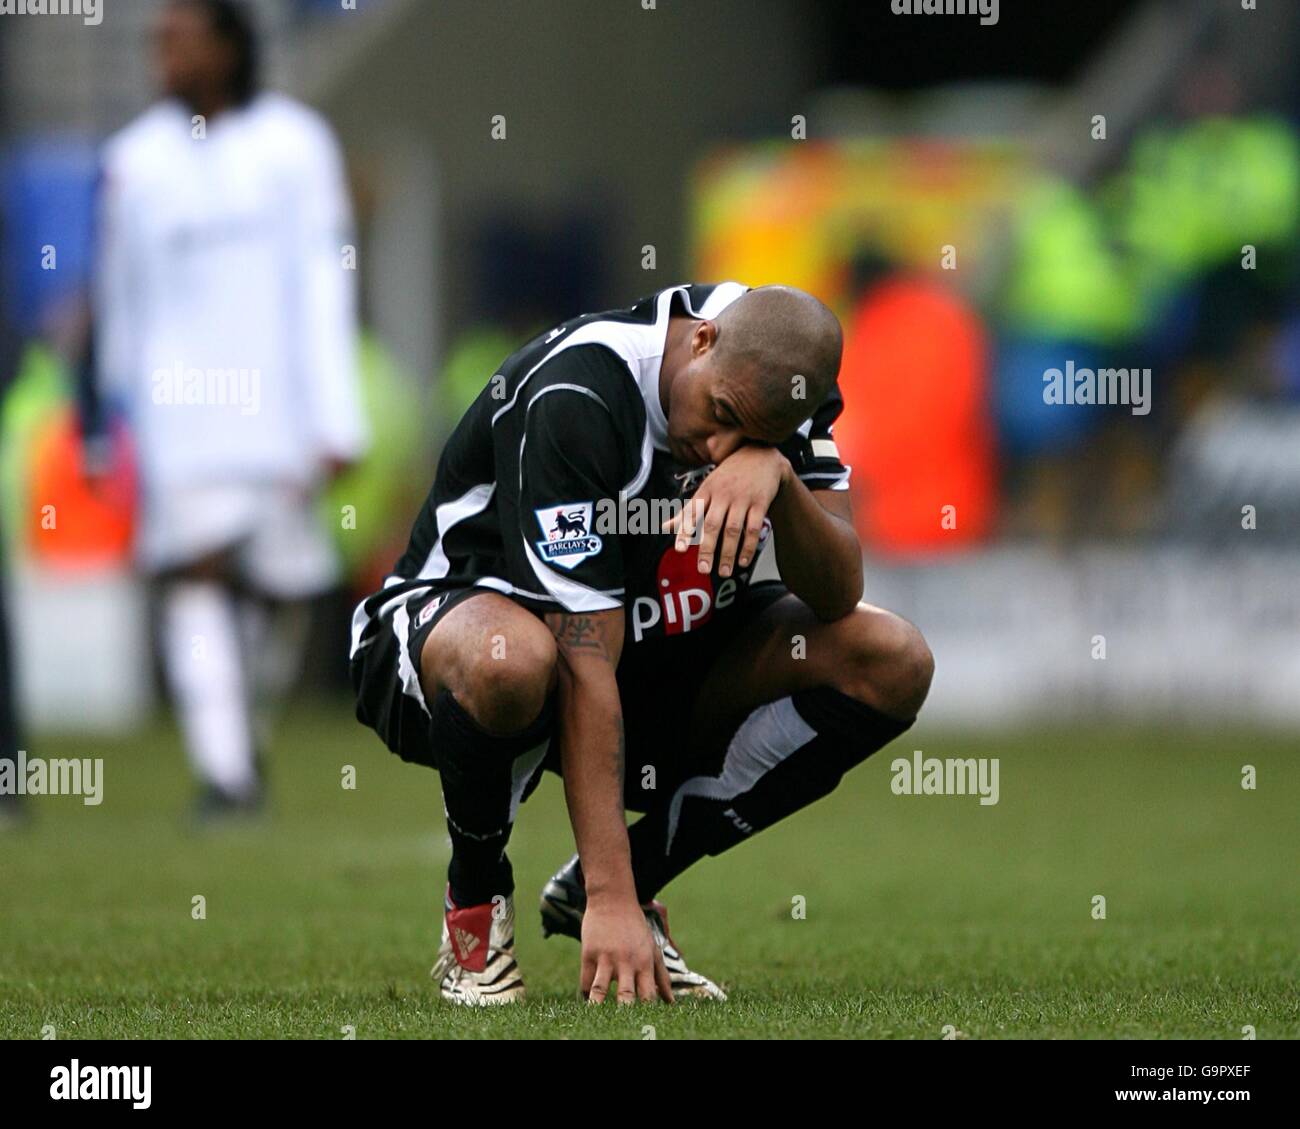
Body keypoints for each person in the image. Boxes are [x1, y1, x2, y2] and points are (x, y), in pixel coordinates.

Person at [350, 282, 933, 1004]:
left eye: (749, 435)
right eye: (720, 414)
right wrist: (612, 894)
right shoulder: (581, 394)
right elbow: (583, 657)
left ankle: (622, 882)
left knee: (892, 658)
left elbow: (837, 590)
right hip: (451, 641)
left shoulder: (786, 371)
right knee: (518, 658)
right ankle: (475, 910)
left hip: (644, 655)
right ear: (701, 340)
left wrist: (780, 478)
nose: (719, 448)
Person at [92, 0, 366, 818]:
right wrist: (113, 416)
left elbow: (324, 281)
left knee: (271, 586)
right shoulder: (132, 159)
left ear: (228, 44)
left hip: (277, 410)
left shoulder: (296, 144)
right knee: (194, 575)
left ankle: (237, 741)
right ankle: (226, 773)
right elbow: (121, 296)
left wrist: (336, 414)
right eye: (155, 43)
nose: (162, 57)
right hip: (179, 416)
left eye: (178, 40)